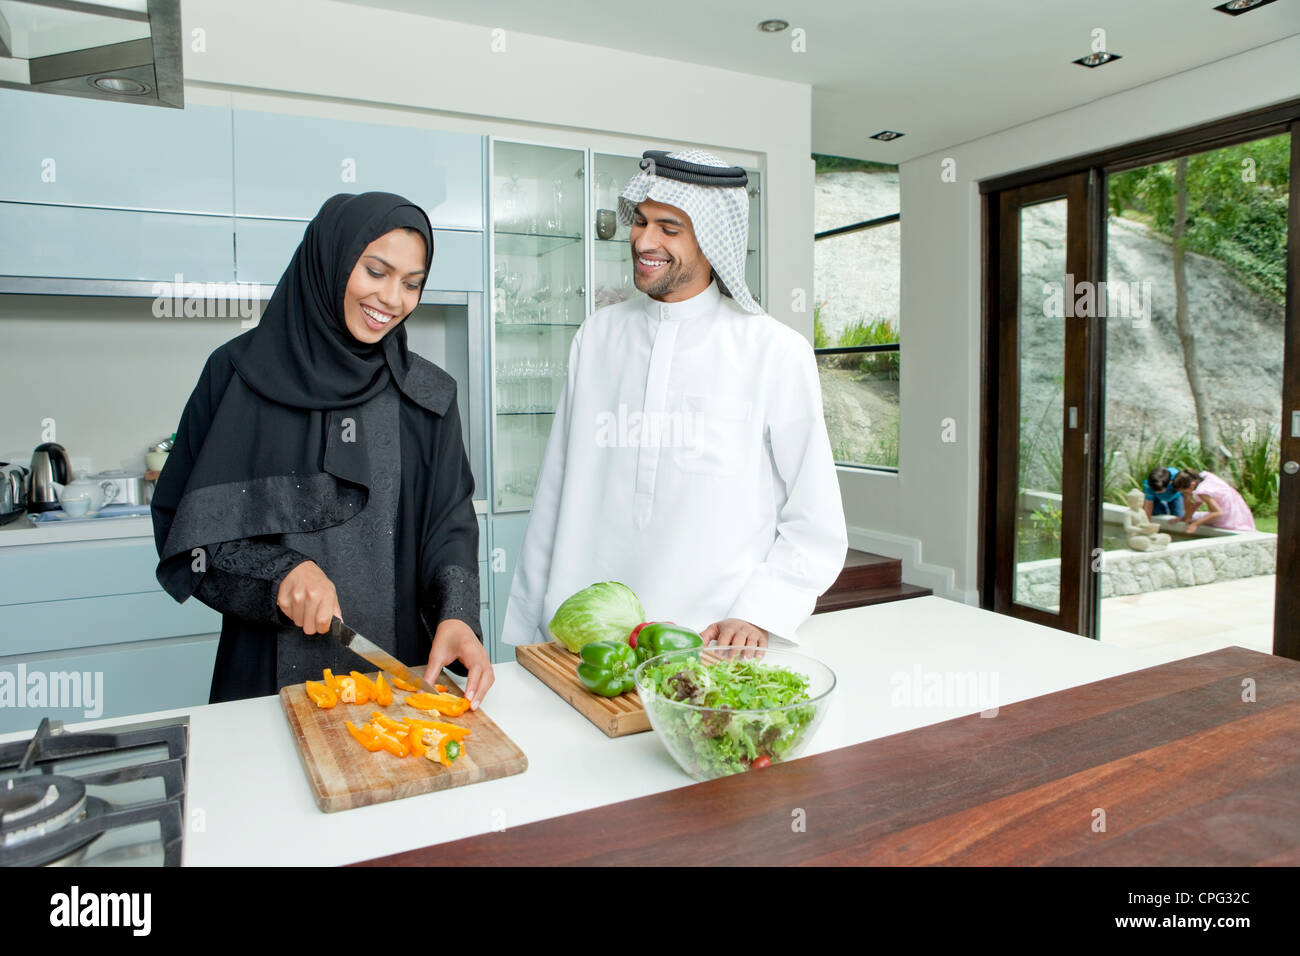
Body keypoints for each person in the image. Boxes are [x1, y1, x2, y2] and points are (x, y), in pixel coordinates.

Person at [151, 192, 493, 706]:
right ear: (329, 261)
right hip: (266, 682)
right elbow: (191, 536)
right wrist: (280, 572)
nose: (392, 298)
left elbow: (450, 525)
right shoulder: (237, 376)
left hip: (401, 680)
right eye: (376, 272)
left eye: (412, 284)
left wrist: (458, 615)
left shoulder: (429, 395)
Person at [501, 148, 848, 652]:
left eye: (669, 227)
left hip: (709, 640)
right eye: (640, 222)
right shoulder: (597, 336)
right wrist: (524, 631)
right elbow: (554, 492)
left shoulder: (774, 350)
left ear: (713, 239)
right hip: (581, 638)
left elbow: (815, 519)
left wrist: (759, 611)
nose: (643, 240)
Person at [1171, 470, 1257, 532]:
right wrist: (1186, 517)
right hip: (1238, 510)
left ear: (1192, 485)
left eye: (1185, 492)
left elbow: (1218, 513)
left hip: (1228, 517)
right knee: (1195, 517)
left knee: (1197, 518)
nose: (1186, 495)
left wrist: (1195, 524)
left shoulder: (1202, 491)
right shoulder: (1204, 477)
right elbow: (1198, 502)